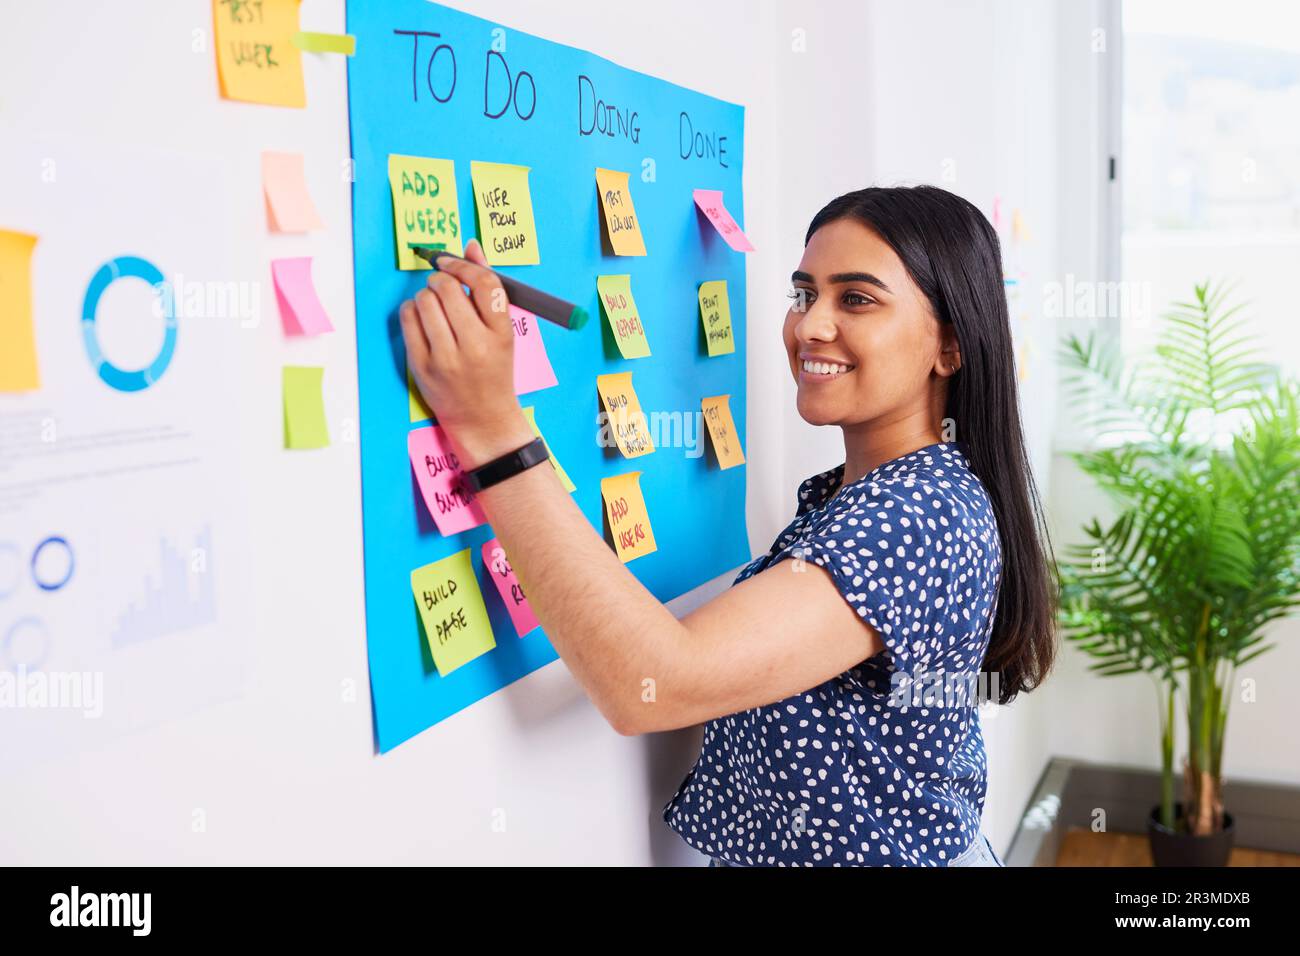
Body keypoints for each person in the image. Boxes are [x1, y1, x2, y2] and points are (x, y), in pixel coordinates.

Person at [400, 184, 1057, 867]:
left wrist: (491, 427)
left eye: (855, 299)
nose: (809, 326)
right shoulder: (863, 495)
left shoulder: (917, 517)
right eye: (804, 294)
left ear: (948, 345)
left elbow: (652, 684)